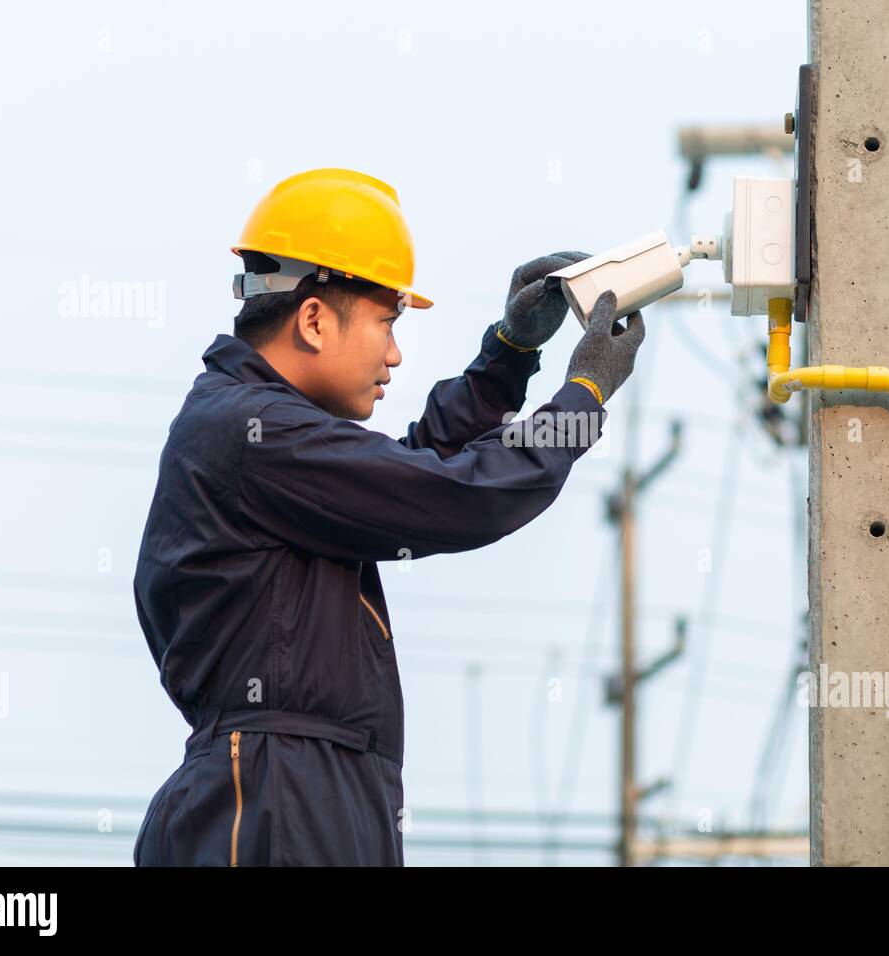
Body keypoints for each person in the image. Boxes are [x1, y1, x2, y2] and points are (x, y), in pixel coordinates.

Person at [132, 168, 646, 865]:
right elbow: (455, 494)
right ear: (313, 318)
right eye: (387, 320)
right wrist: (580, 397)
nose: (395, 352)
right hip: (280, 798)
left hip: (309, 792)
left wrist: (510, 357)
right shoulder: (251, 432)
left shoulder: (262, 435)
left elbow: (408, 475)